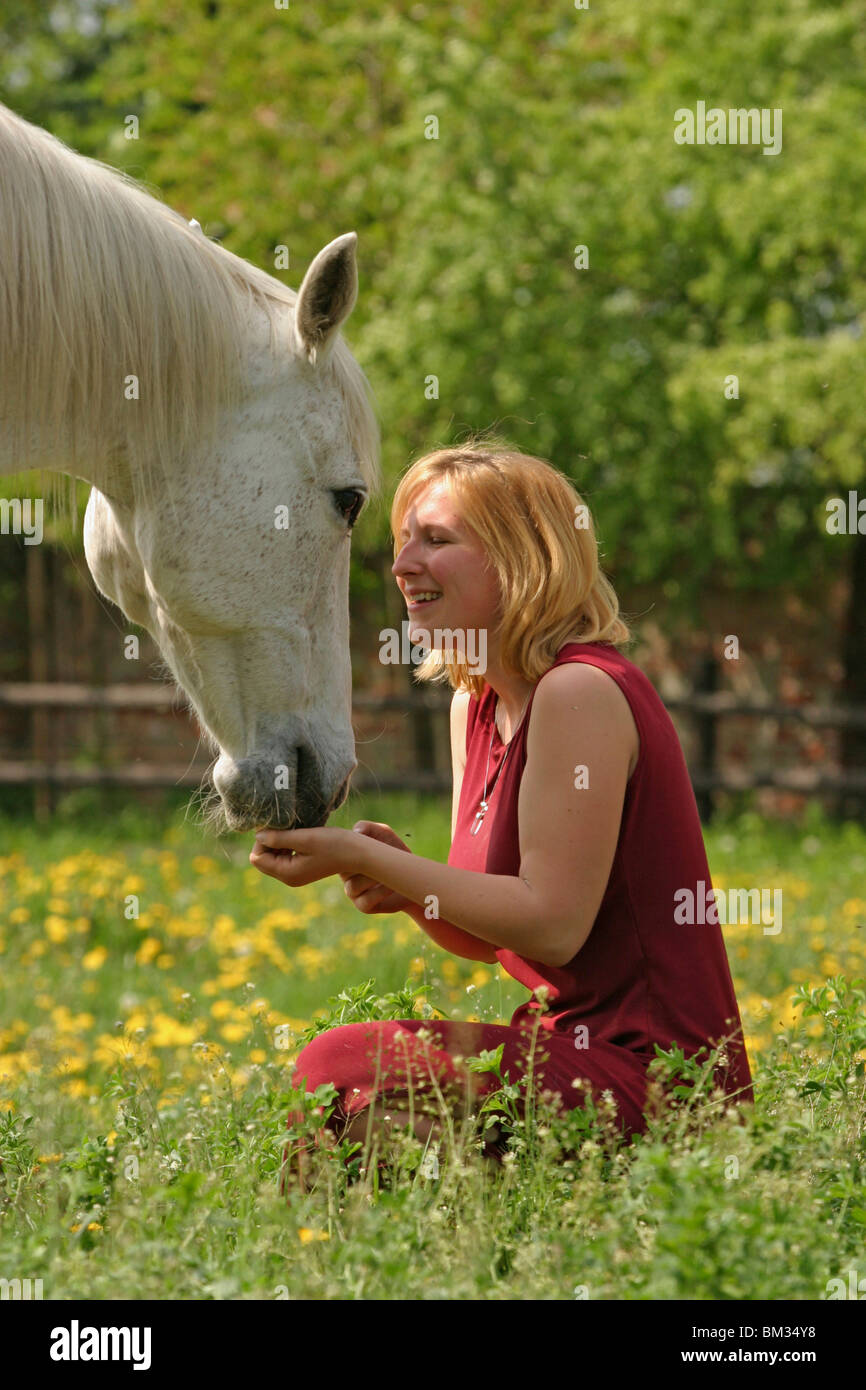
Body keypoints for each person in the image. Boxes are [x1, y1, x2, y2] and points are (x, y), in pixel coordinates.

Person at [250, 440, 753, 1186]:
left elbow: (552, 923)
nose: (403, 565)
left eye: (438, 540)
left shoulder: (579, 692)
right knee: (355, 1086)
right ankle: (351, 1260)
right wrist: (409, 890)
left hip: (662, 1078)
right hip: (572, 1055)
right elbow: (493, 936)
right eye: (401, 541)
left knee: (342, 1062)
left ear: (521, 560)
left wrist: (366, 859)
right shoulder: (475, 707)